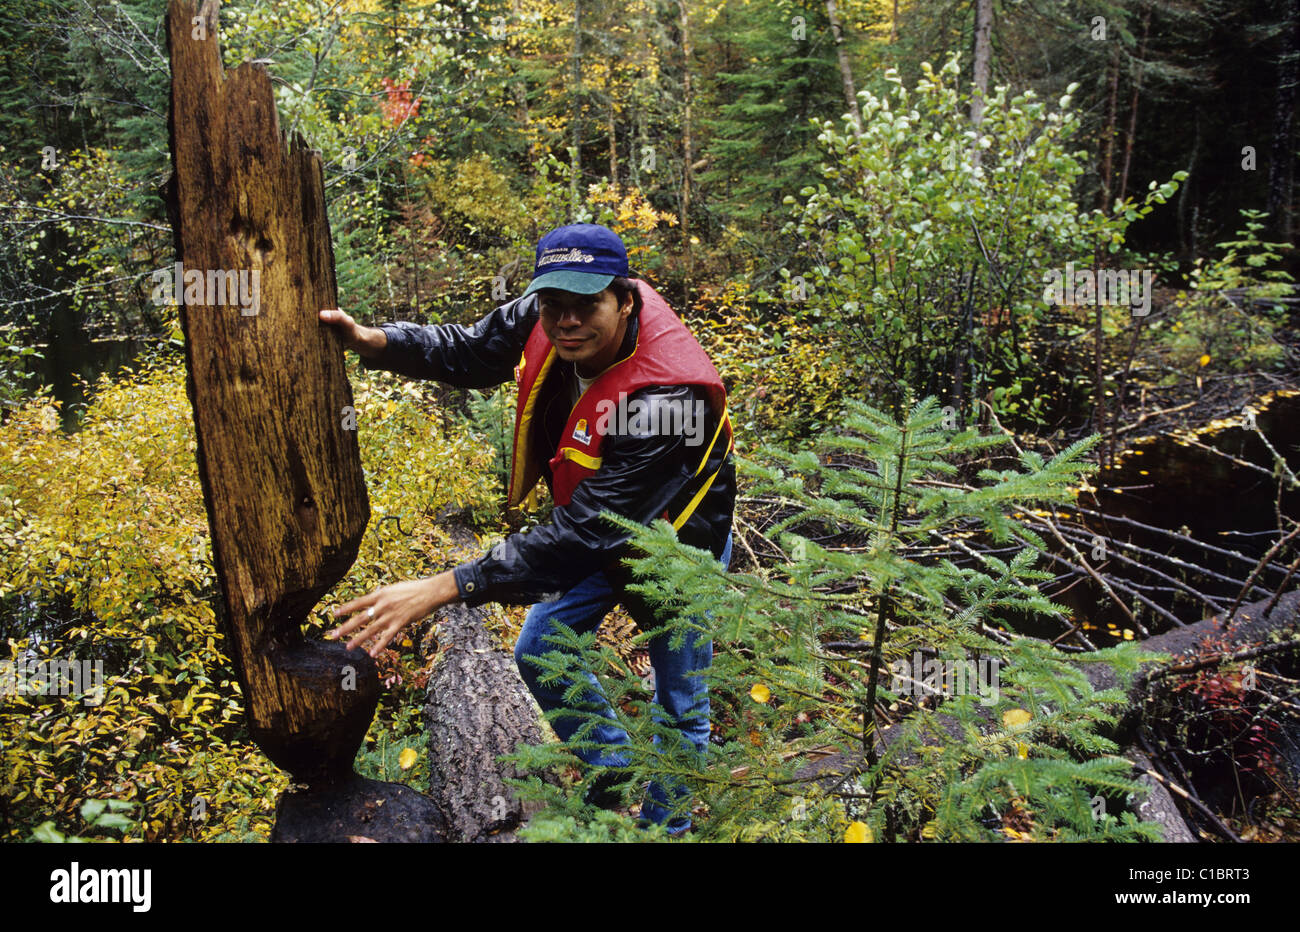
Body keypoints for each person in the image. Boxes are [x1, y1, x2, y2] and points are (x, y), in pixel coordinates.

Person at [319, 223, 735, 835]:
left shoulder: (669, 398)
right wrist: (374, 341)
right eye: (553, 305)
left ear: (624, 299)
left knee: (679, 704)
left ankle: (664, 830)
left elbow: (587, 533)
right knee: (541, 648)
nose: (566, 321)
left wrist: (444, 586)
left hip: (677, 543)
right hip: (597, 523)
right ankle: (610, 770)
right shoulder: (551, 306)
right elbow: (472, 350)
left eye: (585, 306)